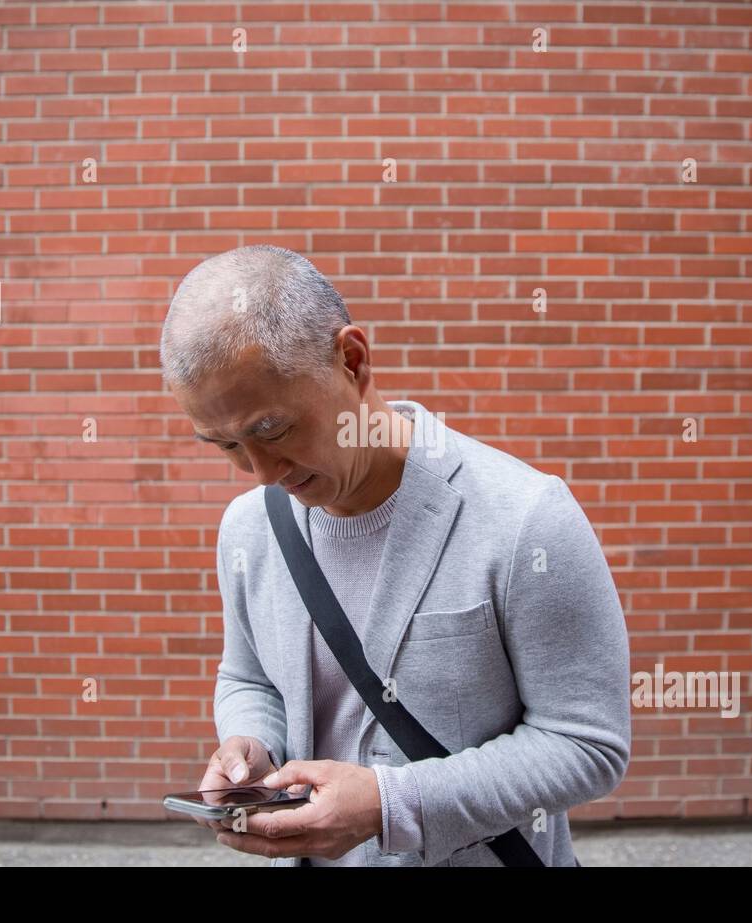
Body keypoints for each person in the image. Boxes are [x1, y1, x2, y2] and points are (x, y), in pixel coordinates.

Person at [160, 244, 631, 866]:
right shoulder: (248, 528)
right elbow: (248, 676)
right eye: (225, 445)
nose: (261, 473)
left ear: (352, 359)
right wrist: (249, 743)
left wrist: (391, 805)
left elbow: (585, 744)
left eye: (273, 431)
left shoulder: (526, 517)